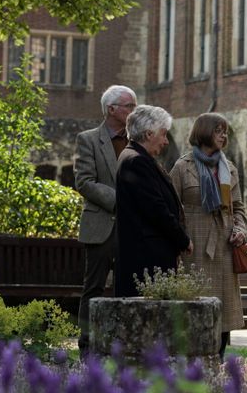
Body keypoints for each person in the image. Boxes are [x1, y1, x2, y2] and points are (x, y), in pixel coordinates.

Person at [169, 113, 247, 358]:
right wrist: (180, 240)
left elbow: (238, 208)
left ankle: (218, 363)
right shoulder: (182, 167)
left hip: (224, 246)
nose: (223, 136)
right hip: (195, 247)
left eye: (225, 131)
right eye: (218, 131)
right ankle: (191, 363)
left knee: (223, 312)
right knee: (194, 308)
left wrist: (240, 230)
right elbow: (171, 209)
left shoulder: (229, 168)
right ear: (204, 132)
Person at [72, 84, 136, 353]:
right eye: (130, 106)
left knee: (129, 288)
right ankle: (87, 345)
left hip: (132, 228)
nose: (134, 110)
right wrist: (121, 201)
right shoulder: (88, 139)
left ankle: (124, 344)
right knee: (93, 288)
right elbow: (84, 182)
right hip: (101, 225)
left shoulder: (137, 141)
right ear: (111, 109)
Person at [114, 105, 192, 297]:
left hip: (148, 253)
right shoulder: (137, 161)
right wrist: (182, 239)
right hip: (146, 257)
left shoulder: (137, 157)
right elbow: (156, 209)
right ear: (149, 134)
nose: (166, 141)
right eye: (163, 134)